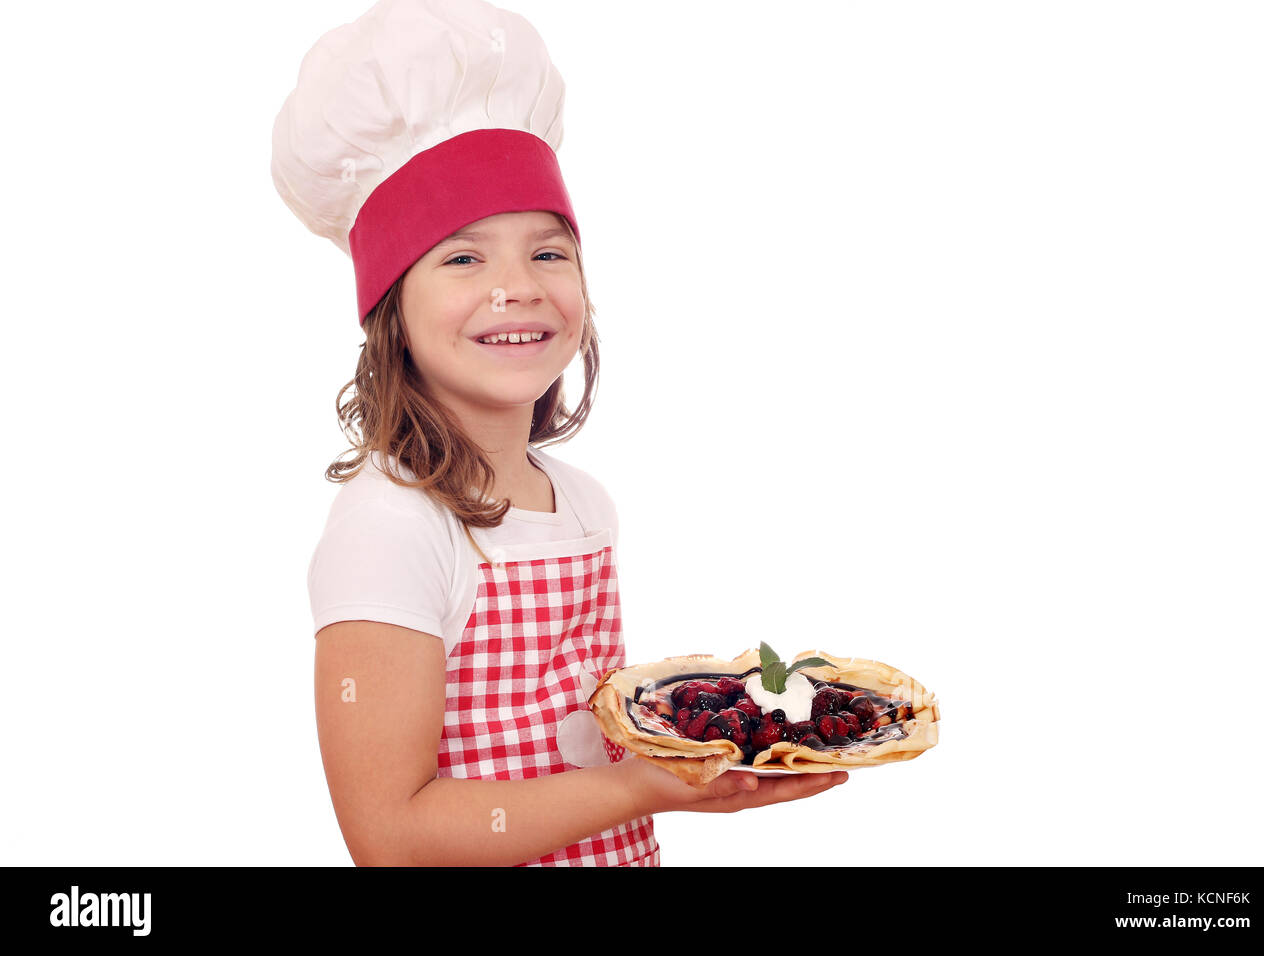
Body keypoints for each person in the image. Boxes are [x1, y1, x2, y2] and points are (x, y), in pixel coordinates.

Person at [271, 0, 847, 867]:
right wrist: (639, 789)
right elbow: (388, 836)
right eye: (463, 258)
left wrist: (714, 735)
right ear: (390, 310)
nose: (518, 287)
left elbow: (573, 729)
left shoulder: (582, 503)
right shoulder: (390, 528)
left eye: (548, 252)